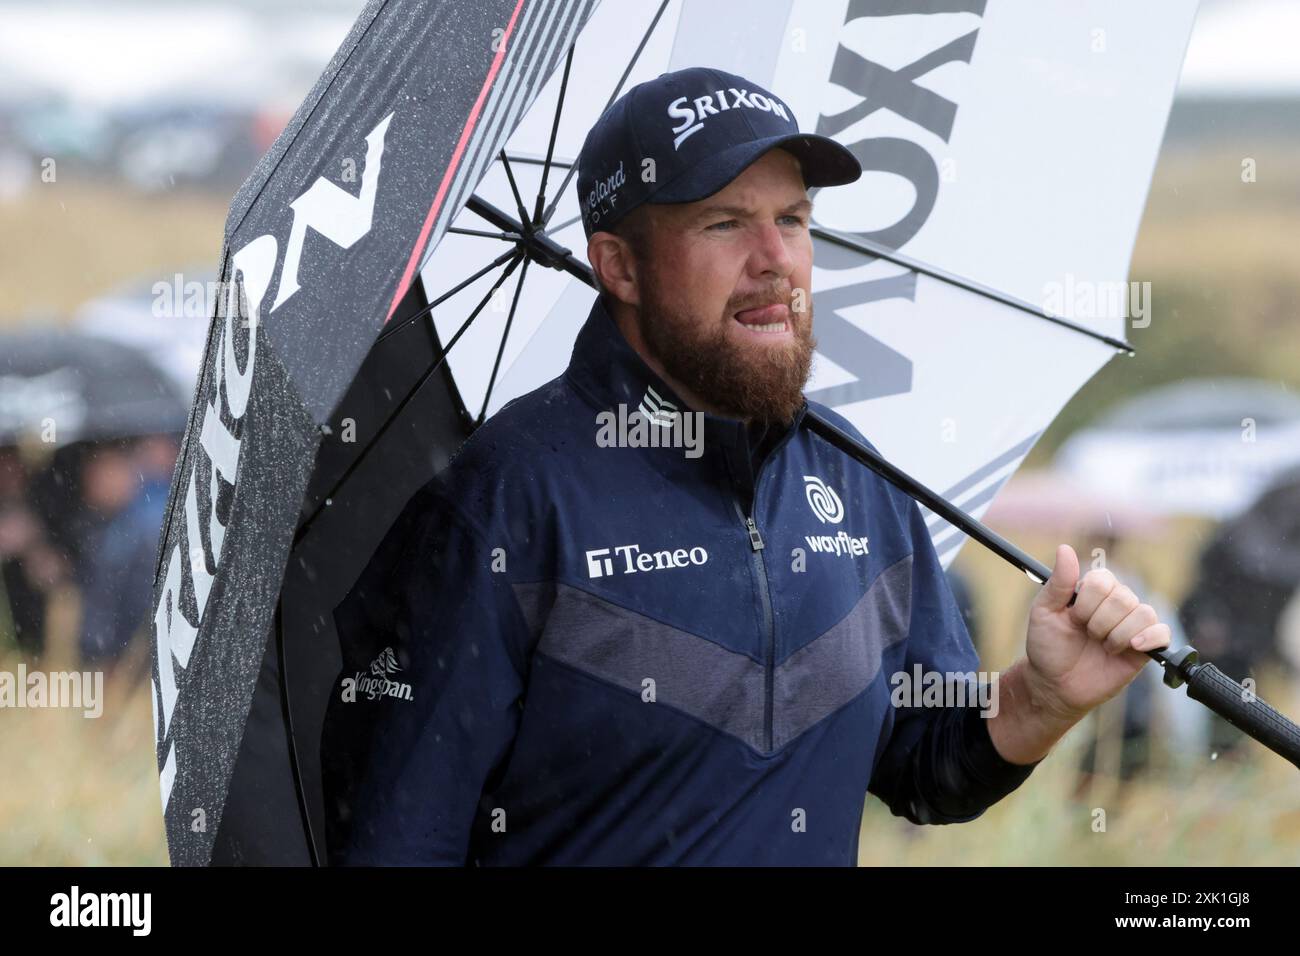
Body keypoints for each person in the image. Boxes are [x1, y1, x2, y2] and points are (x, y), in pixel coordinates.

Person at [323, 67, 1173, 866]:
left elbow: (919, 765)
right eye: (724, 223)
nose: (777, 260)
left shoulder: (853, 479)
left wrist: (1035, 703)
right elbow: (399, 841)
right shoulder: (505, 500)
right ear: (618, 265)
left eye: (794, 220)